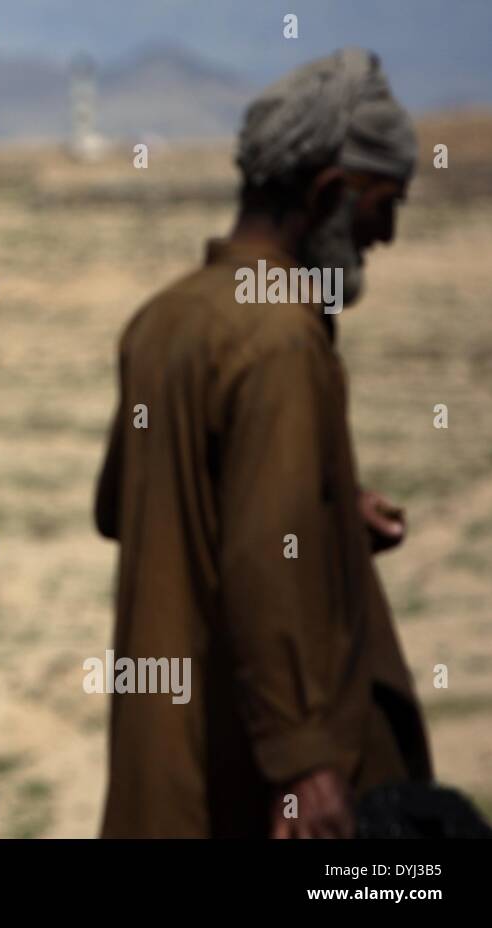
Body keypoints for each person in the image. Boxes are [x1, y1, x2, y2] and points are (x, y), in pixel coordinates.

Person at [93, 47, 432, 838]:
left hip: (165, 769)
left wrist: (328, 511)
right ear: (329, 194)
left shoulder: (165, 317)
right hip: (242, 776)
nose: (385, 234)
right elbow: (258, 556)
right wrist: (304, 762)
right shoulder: (281, 337)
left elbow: (124, 506)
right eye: (385, 203)